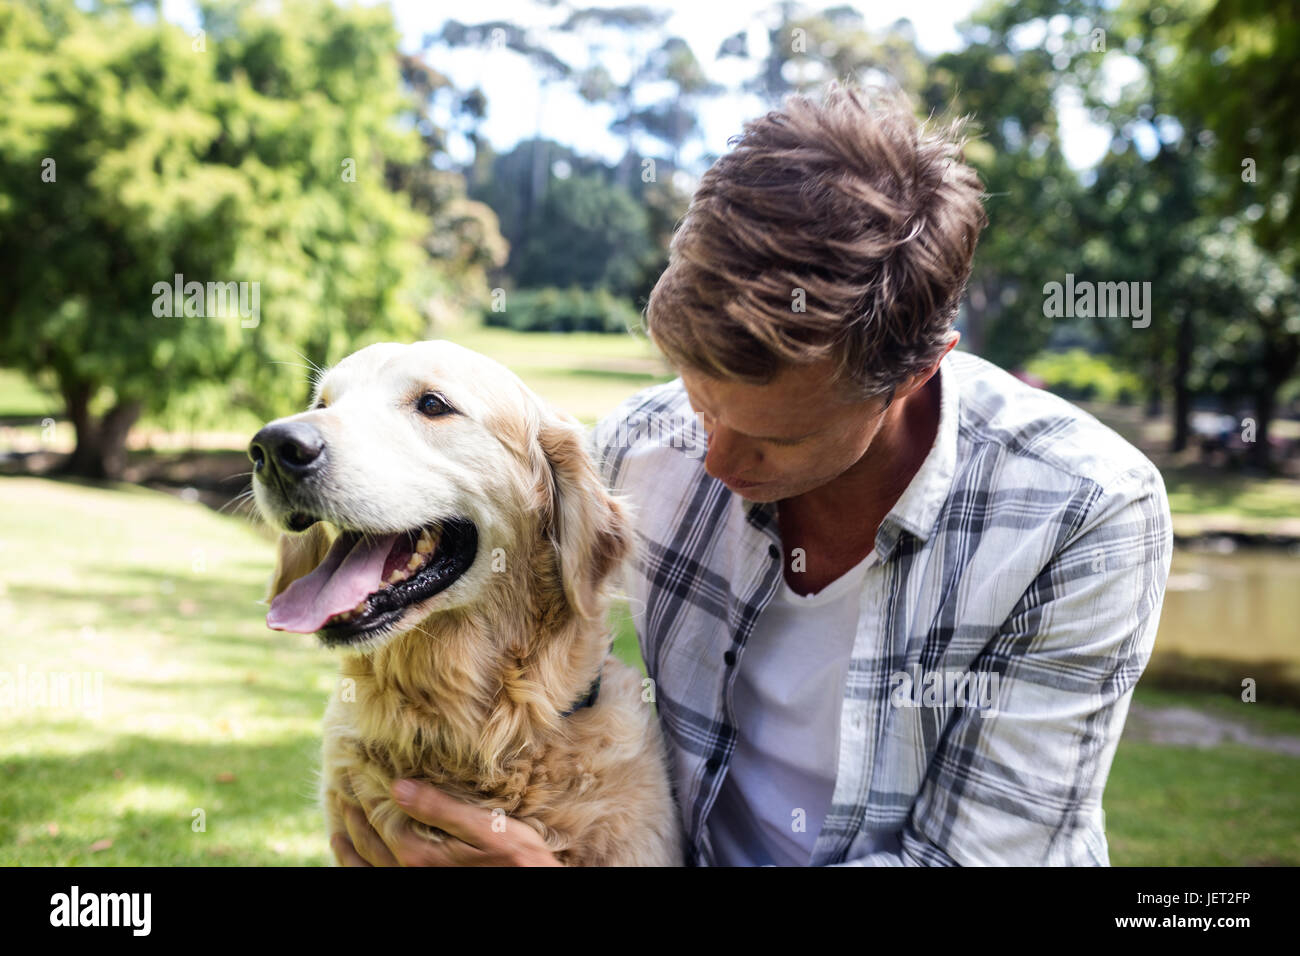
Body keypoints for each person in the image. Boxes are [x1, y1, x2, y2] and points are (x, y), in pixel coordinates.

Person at [331, 80, 1173, 867]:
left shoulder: (1085, 513)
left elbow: (978, 858)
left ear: (916, 374)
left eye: (779, 438)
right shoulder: (639, 441)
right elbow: (539, 674)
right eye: (701, 402)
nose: (716, 462)